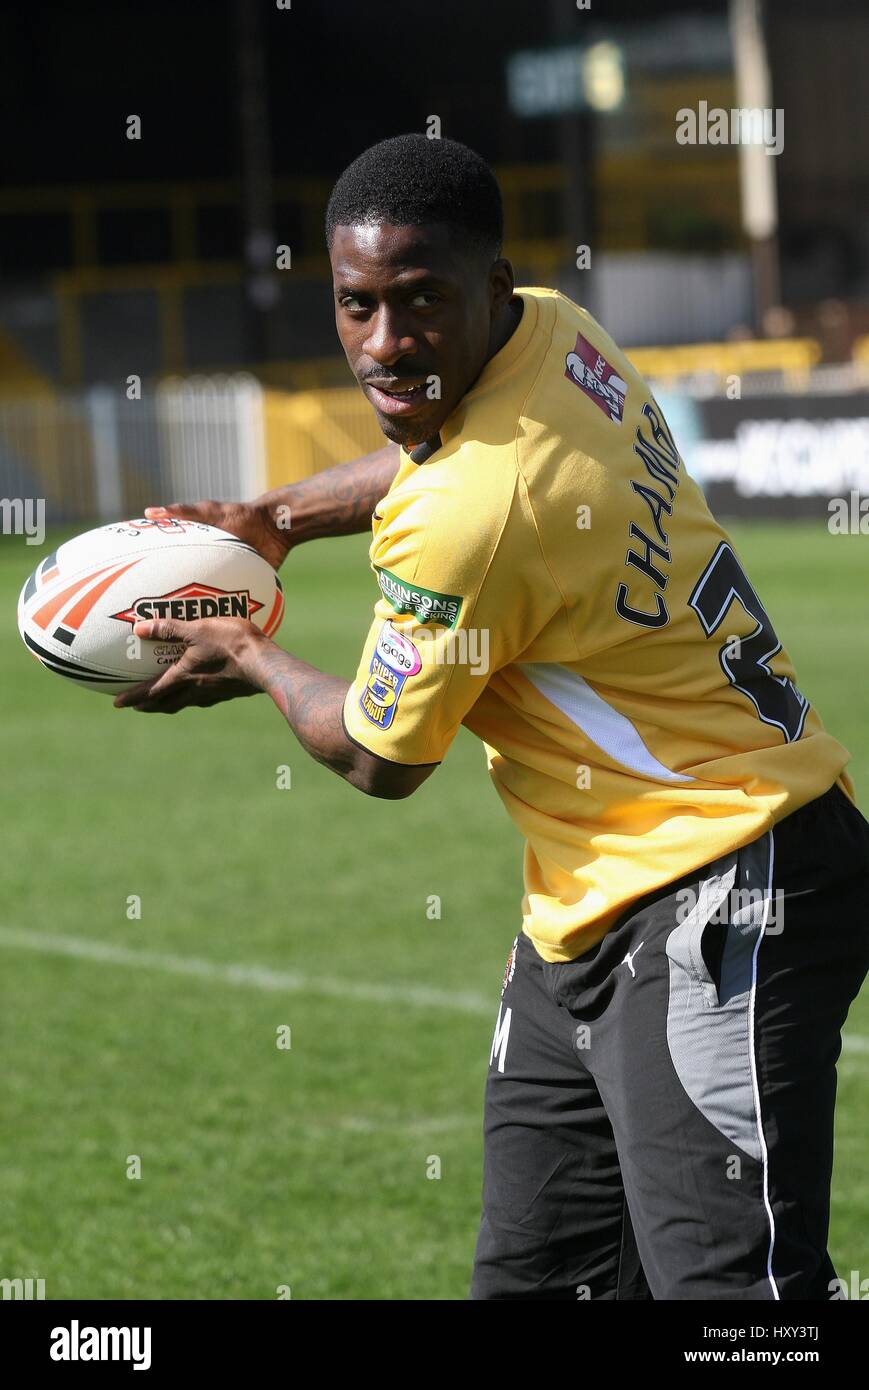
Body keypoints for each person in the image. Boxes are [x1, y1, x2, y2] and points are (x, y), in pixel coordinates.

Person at [116, 134, 869, 1300]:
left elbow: (378, 756)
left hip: (724, 878)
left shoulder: (473, 517)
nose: (385, 343)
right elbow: (445, 452)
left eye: (420, 302)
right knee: (534, 1284)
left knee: (735, 1303)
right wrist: (279, 512)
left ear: (488, 286)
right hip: (591, 902)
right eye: (356, 304)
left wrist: (250, 653)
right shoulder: (555, 332)